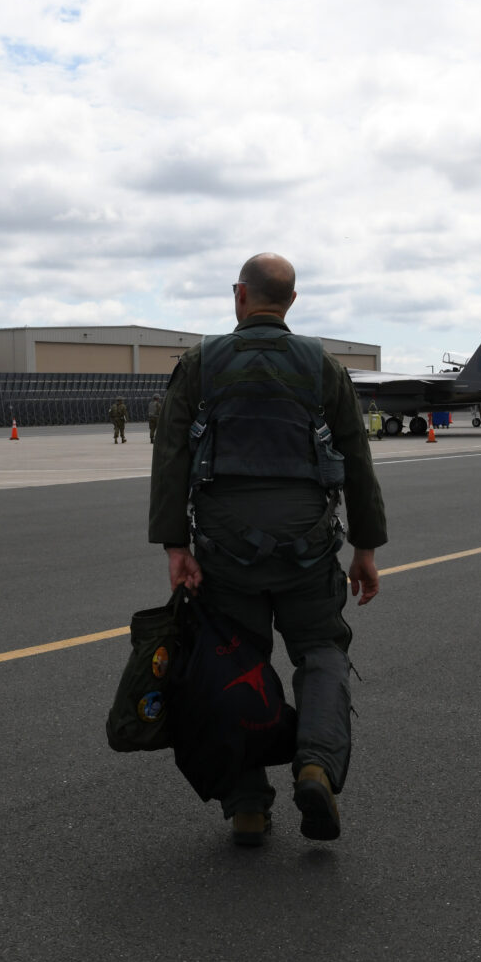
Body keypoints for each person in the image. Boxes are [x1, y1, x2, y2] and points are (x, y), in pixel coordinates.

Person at [150, 253, 387, 844]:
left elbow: (171, 456)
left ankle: (248, 803)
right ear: (291, 301)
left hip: (225, 548)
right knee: (321, 651)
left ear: (239, 296)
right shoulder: (323, 366)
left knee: (234, 663)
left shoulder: (199, 363)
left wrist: (175, 544)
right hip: (307, 546)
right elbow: (356, 458)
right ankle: (315, 764)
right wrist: (365, 546)